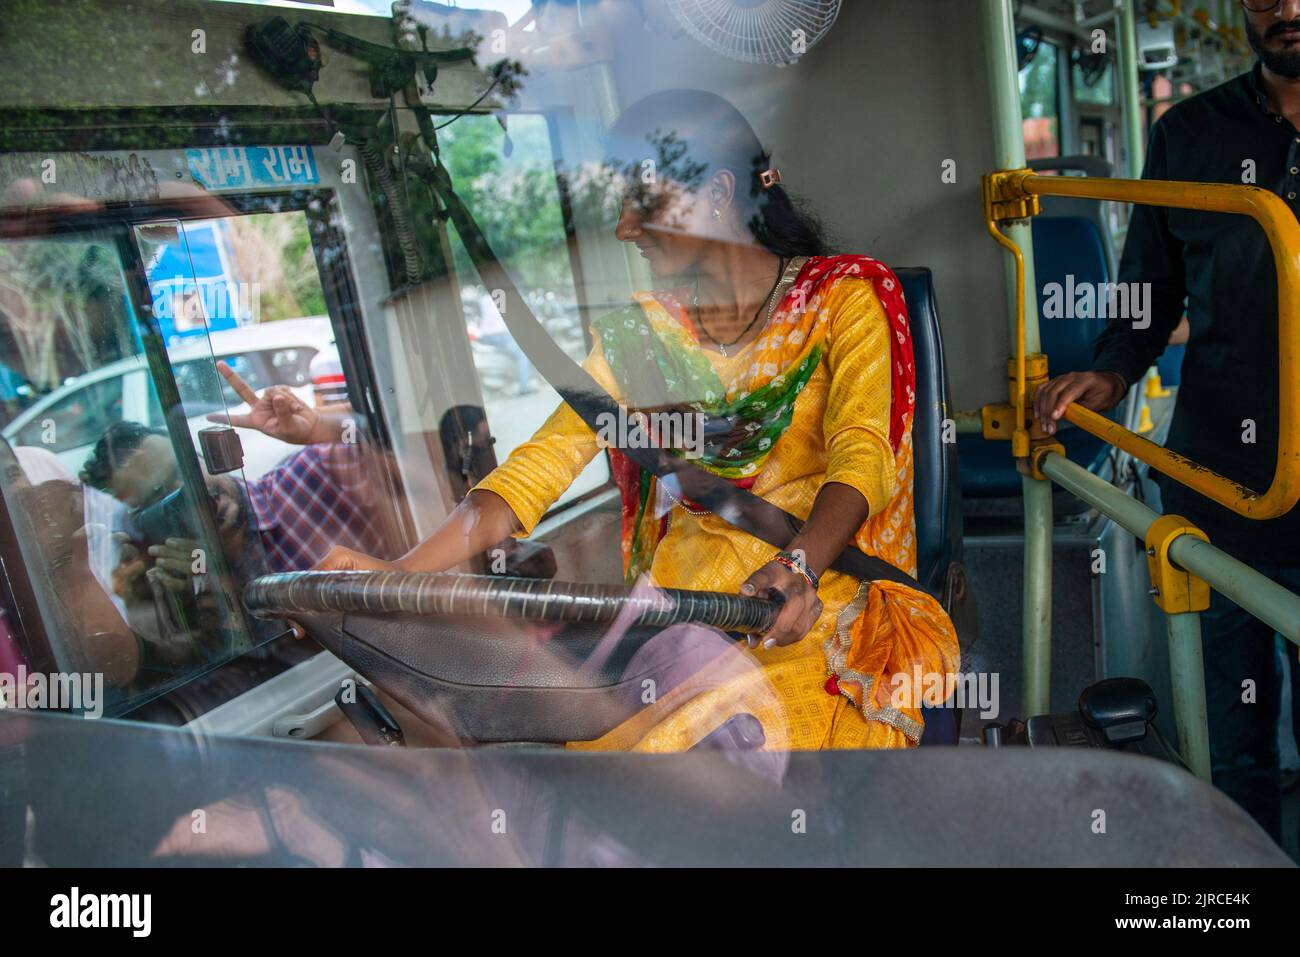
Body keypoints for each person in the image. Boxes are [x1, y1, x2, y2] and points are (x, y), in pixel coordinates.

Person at [316, 89, 960, 752]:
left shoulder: (845, 299)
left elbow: (863, 456)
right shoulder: (642, 334)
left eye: (641, 201)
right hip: (671, 633)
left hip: (804, 618)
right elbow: (538, 468)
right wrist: (397, 578)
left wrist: (796, 565)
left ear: (714, 194)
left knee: (667, 761)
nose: (624, 227)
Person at [1033, 1, 1300, 840]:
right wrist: (1110, 373)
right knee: (1225, 728)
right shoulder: (1190, 131)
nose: (1285, 10)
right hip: (1219, 477)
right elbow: (1149, 291)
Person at [476, 286, 535, 396]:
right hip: (501, 334)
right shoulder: (500, 295)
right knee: (523, 355)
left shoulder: (482, 298)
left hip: (485, 336)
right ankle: (524, 387)